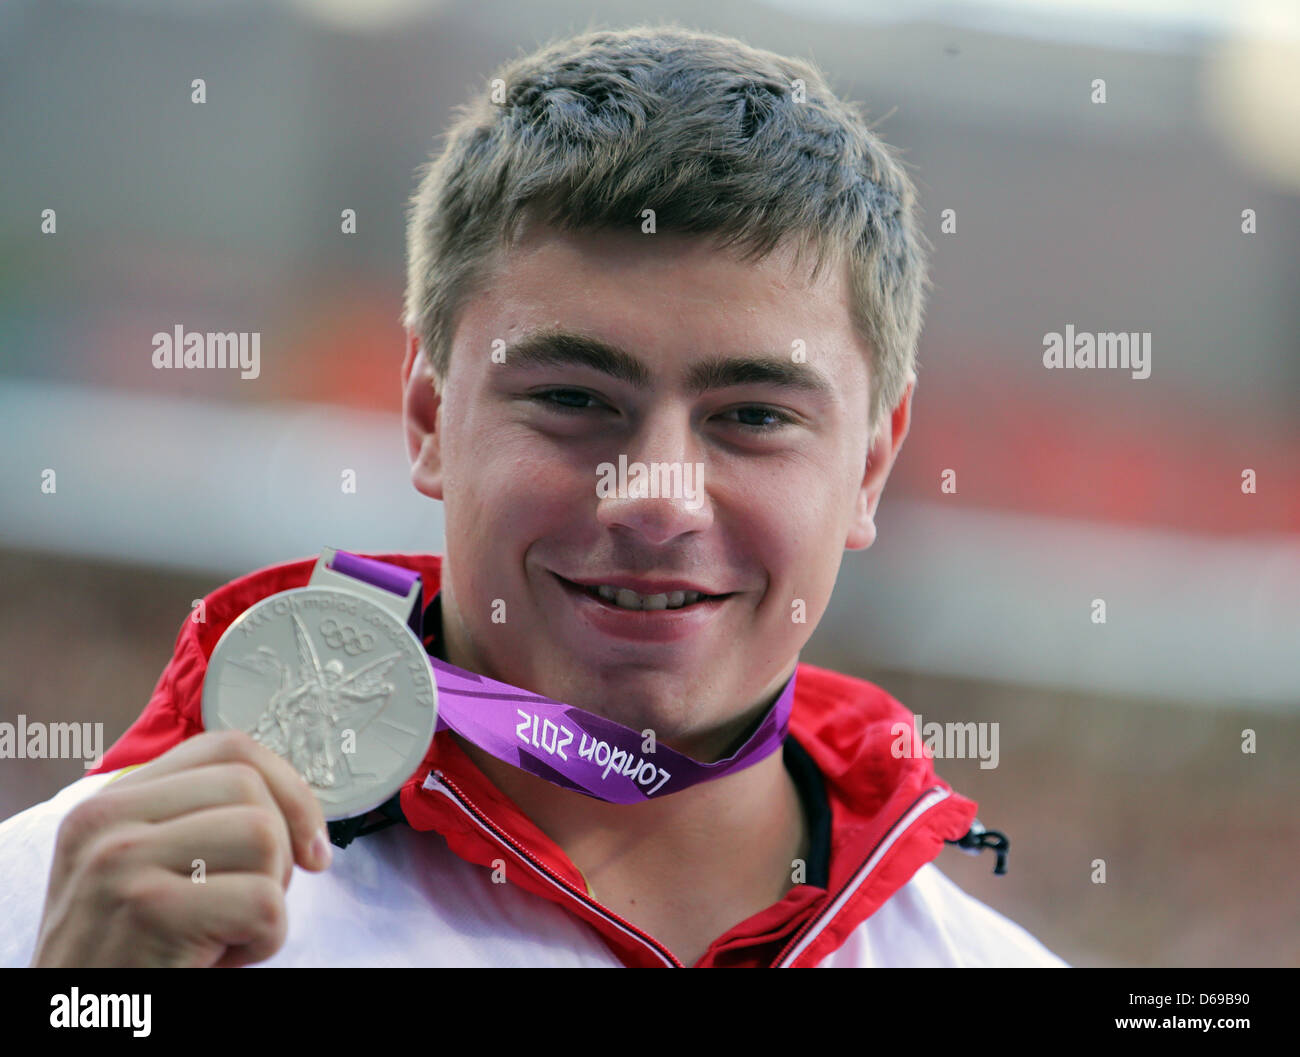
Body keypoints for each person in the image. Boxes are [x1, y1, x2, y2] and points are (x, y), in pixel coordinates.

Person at [0, 23, 1066, 968]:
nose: (657, 501)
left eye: (752, 416)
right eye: (571, 397)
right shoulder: (70, 906)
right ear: (427, 417)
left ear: (870, 466)